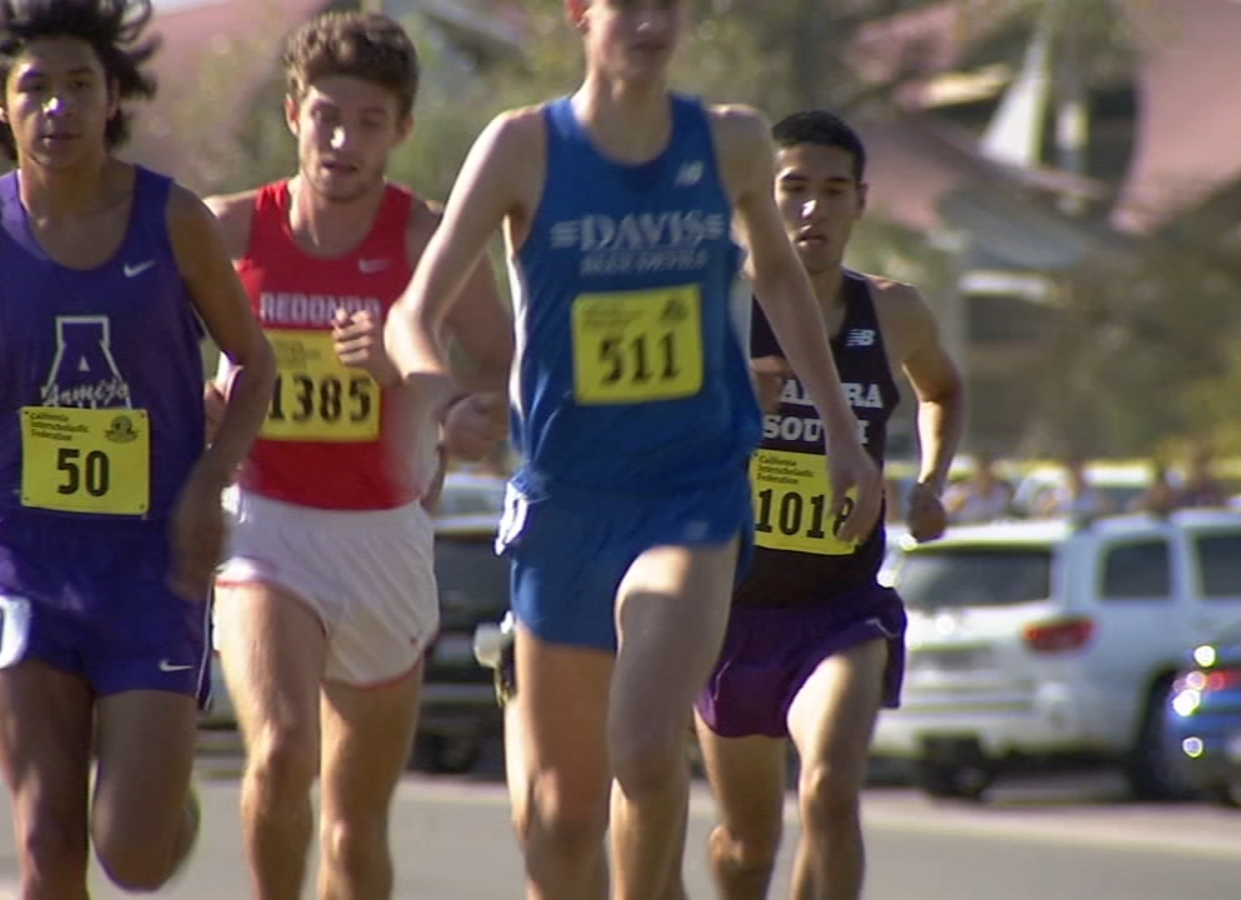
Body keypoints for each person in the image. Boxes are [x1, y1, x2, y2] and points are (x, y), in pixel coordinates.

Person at [383, 2, 883, 897]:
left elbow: (778, 277)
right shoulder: (523, 148)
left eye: (668, 4)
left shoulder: (728, 142)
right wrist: (442, 398)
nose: (651, 22)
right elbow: (413, 316)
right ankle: (523, 686)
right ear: (581, 13)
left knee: (648, 750)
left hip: (691, 494)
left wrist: (844, 433)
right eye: (628, 3)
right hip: (566, 501)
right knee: (562, 820)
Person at [0, 1, 276, 896]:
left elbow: (255, 363)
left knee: (134, 857)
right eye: (34, 88)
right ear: (0, 105)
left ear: (114, 95)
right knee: (45, 839)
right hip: (21, 554)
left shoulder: (174, 221)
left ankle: (165, 806)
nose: (58, 108)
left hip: (154, 559)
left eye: (80, 85)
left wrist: (210, 485)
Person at [199, 12, 511, 900]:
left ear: (401, 131)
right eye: (326, 115)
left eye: (369, 122)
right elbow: (134, 339)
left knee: (353, 828)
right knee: (284, 750)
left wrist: (428, 388)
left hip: (386, 540)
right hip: (266, 531)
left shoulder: (425, 240)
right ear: (293, 112)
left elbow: (498, 363)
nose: (342, 140)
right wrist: (200, 405)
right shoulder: (228, 231)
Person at [693, 110, 964, 900]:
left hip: (840, 610)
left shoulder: (895, 312)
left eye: (832, 191)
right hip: (726, 616)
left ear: (860, 202)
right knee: (748, 844)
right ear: (760, 197)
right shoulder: (715, 310)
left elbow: (942, 388)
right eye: (794, 189)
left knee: (829, 794)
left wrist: (931, 481)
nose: (812, 209)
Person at [942, 452, 1013, 524]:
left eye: (988, 471)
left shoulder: (1002, 492)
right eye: (982, 471)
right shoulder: (960, 492)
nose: (985, 475)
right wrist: (954, 506)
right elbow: (944, 515)